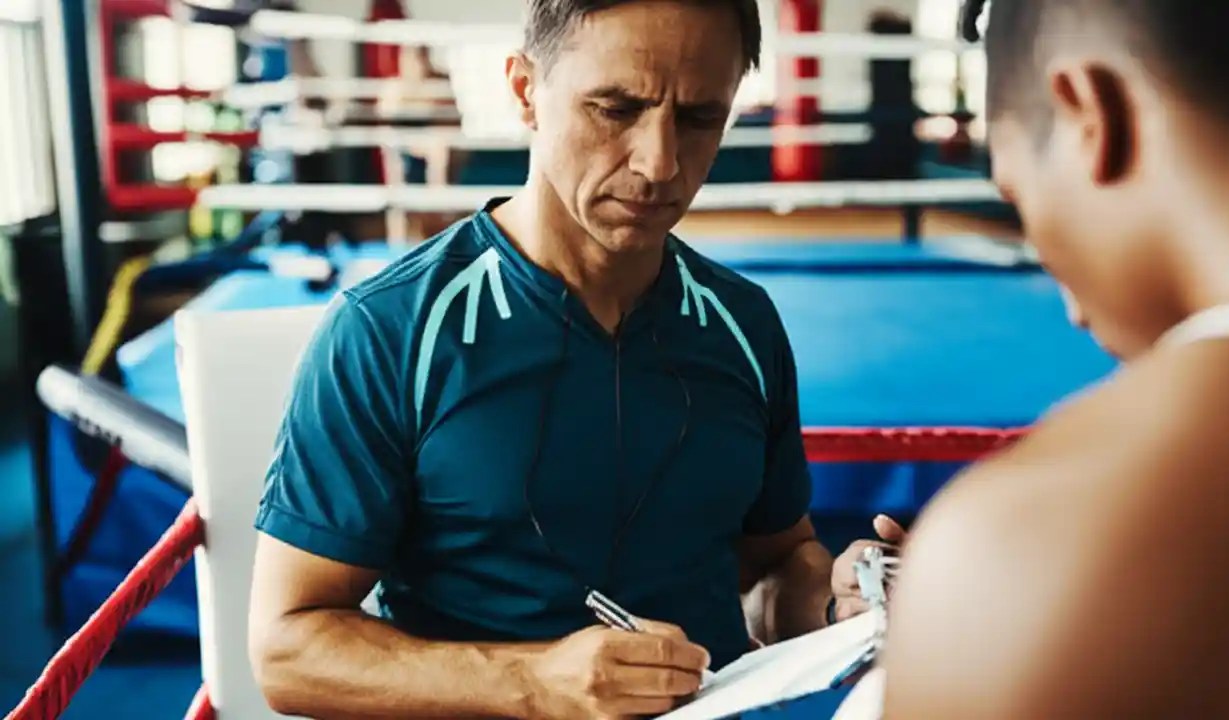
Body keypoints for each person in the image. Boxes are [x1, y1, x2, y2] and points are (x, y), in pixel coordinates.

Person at [246, 2, 874, 718]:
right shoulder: (392, 329)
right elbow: (287, 650)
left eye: (700, 118)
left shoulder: (742, 323)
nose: (659, 163)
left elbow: (772, 570)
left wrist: (839, 601)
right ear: (524, 91)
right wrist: (532, 682)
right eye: (614, 109)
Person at [866, 1, 1229, 718]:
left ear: (1089, 113)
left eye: (1021, 201)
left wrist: (967, 613)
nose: (1074, 308)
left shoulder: (1038, 544)